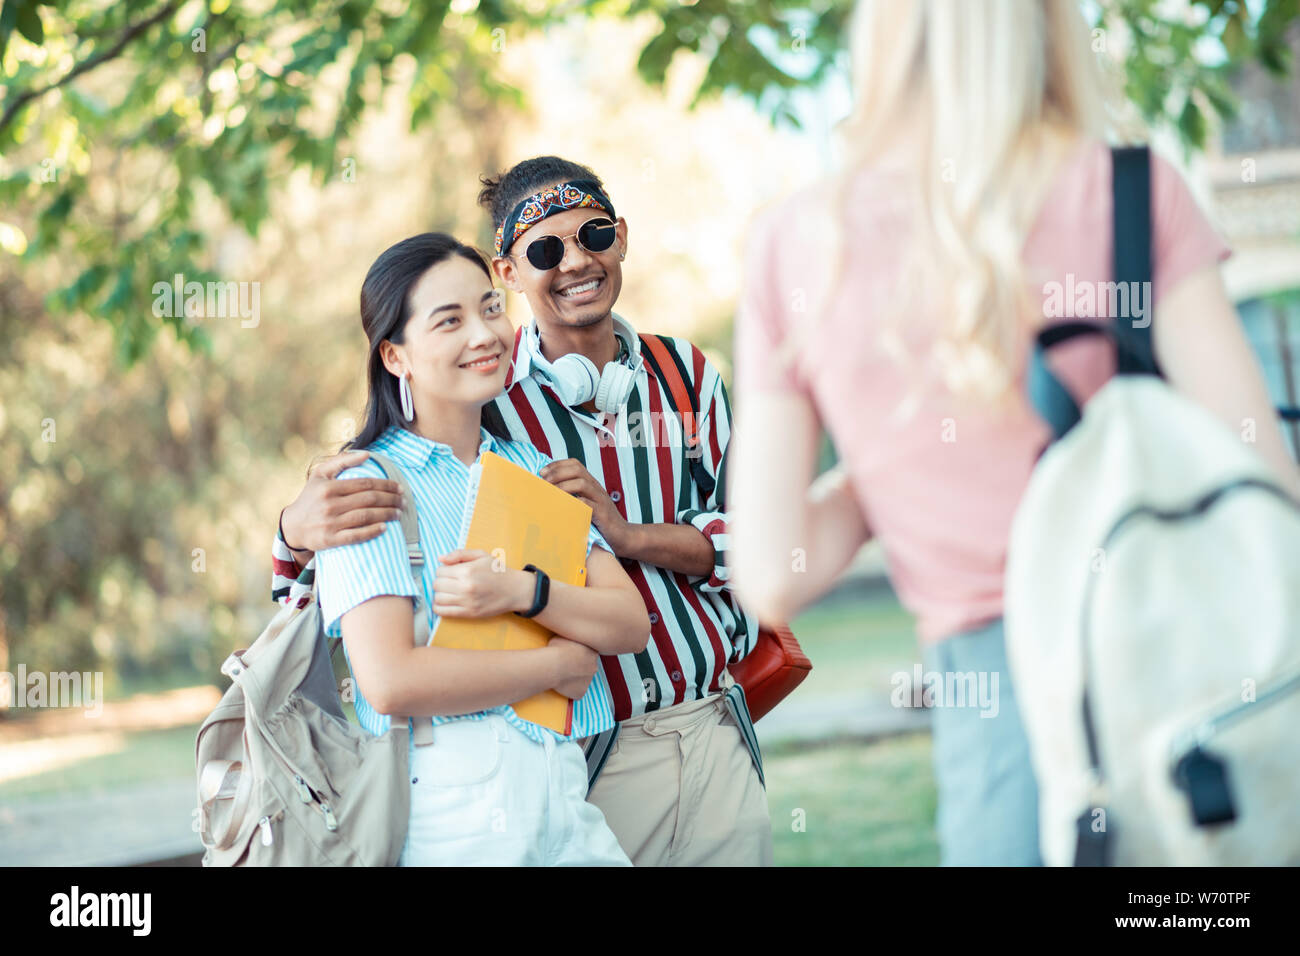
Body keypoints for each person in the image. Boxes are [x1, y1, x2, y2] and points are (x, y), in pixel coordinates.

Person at [727, 0, 1300, 867]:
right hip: (1173, 660)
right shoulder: (1132, 192)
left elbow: (770, 576)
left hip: (991, 712)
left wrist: (886, 465)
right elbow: (1265, 480)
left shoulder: (796, 244)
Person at [274, 158, 773, 866]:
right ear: (510, 273)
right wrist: (293, 528)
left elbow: (756, 545)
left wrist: (627, 537)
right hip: (589, 749)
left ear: (621, 238)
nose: (575, 261)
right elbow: (351, 611)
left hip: (711, 722)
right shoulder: (483, 393)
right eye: (544, 250)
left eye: (593, 235)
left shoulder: (687, 376)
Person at [312, 231, 649, 866]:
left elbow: (627, 621)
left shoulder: (534, 467)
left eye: (491, 308)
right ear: (396, 357)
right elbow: (389, 680)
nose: (484, 334)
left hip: (564, 791)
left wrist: (522, 591)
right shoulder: (368, 486)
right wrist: (554, 668)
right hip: (452, 813)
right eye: (450, 321)